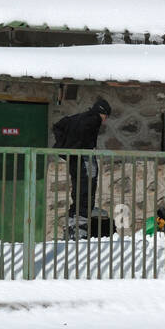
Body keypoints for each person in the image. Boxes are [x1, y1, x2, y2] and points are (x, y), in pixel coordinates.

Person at [52, 98, 111, 233]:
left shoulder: (76, 117)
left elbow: (58, 126)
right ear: (102, 112)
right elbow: (84, 133)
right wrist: (85, 147)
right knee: (88, 186)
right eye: (106, 116)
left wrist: (66, 145)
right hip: (84, 158)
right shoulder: (94, 118)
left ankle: (72, 219)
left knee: (78, 188)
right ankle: (82, 223)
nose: (105, 120)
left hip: (73, 158)